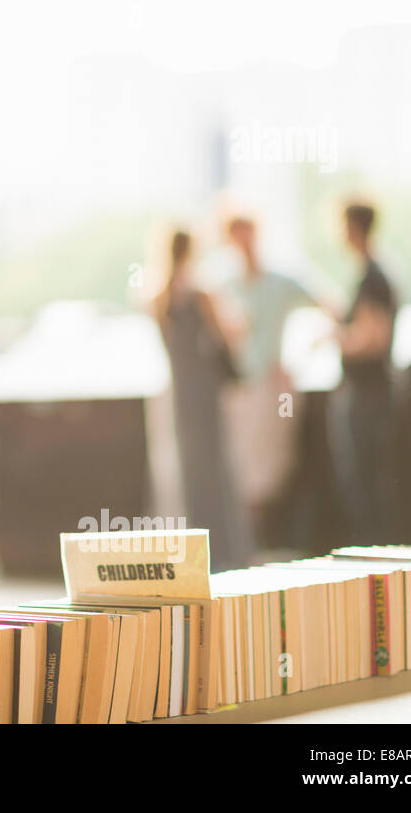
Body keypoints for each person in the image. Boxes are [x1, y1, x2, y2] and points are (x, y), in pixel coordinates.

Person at [150, 229, 254, 571]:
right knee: (217, 470)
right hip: (205, 396)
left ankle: (195, 550)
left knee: (189, 472)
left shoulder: (157, 297)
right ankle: (226, 551)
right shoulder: (201, 294)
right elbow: (227, 338)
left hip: (180, 397)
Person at [217, 214, 319, 544]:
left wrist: (296, 361)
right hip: (240, 393)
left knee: (277, 468)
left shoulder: (283, 280)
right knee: (244, 472)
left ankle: (279, 541)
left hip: (274, 391)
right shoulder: (221, 285)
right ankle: (249, 544)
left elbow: (330, 310)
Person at [327, 200, 399, 544]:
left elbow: (373, 339)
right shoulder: (372, 273)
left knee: (368, 481)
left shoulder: (374, 276)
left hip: (368, 393)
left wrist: (333, 336)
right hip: (366, 391)